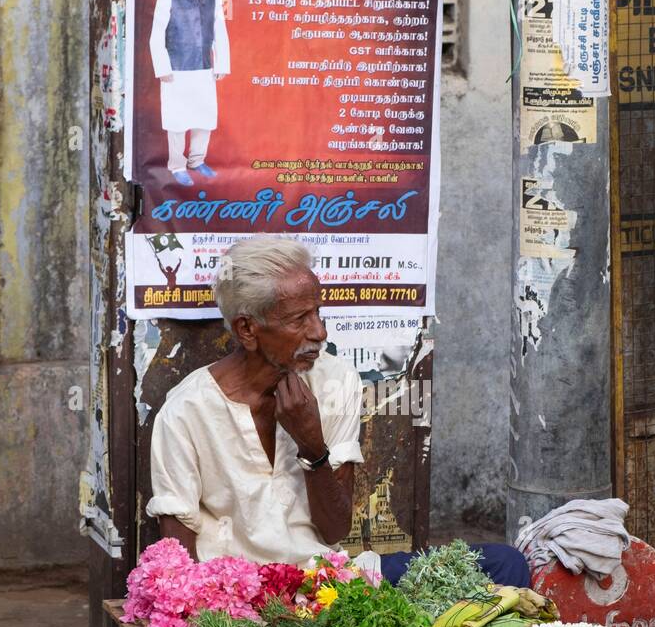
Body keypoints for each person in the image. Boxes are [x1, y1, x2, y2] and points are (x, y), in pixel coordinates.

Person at [147, 236, 529, 588]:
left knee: (506, 564)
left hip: (328, 582)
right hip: (241, 600)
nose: (320, 332)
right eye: (300, 319)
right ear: (248, 329)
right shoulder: (185, 412)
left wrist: (312, 447)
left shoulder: (335, 379)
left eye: (318, 312)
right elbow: (178, 563)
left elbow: (332, 530)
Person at [149, 0, 230, 187]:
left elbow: (219, 29)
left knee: (203, 117)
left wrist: (222, 64)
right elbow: (157, 32)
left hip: (204, 67)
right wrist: (162, 68)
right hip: (176, 68)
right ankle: (176, 165)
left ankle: (197, 160)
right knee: (176, 120)